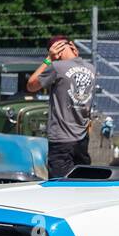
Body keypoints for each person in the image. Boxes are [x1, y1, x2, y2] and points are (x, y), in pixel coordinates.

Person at [27, 35, 96, 178]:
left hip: (61, 140)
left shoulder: (57, 67)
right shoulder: (91, 69)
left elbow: (31, 85)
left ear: (55, 51)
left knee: (59, 189)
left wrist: (48, 59)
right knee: (82, 184)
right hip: (82, 139)